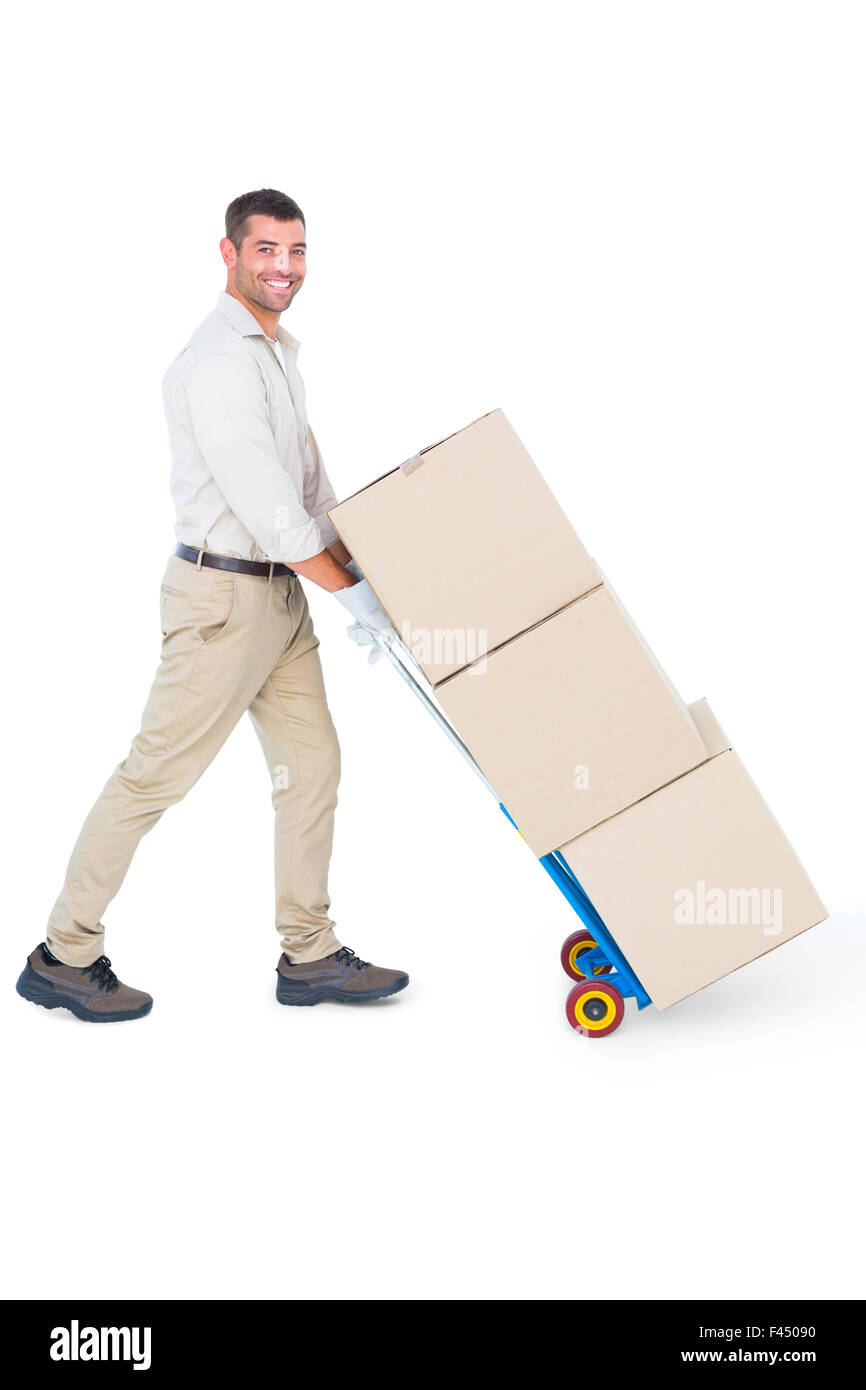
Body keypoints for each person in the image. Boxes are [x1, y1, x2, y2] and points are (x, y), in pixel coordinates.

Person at [16, 187, 406, 1023]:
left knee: (312, 767)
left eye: (297, 252)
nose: (285, 268)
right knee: (155, 776)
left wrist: (371, 570)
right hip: (223, 598)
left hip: (281, 597)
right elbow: (270, 512)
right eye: (267, 250)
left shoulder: (277, 353)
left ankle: (308, 955)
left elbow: (309, 489)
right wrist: (356, 598)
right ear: (228, 254)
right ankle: (64, 953)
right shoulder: (220, 363)